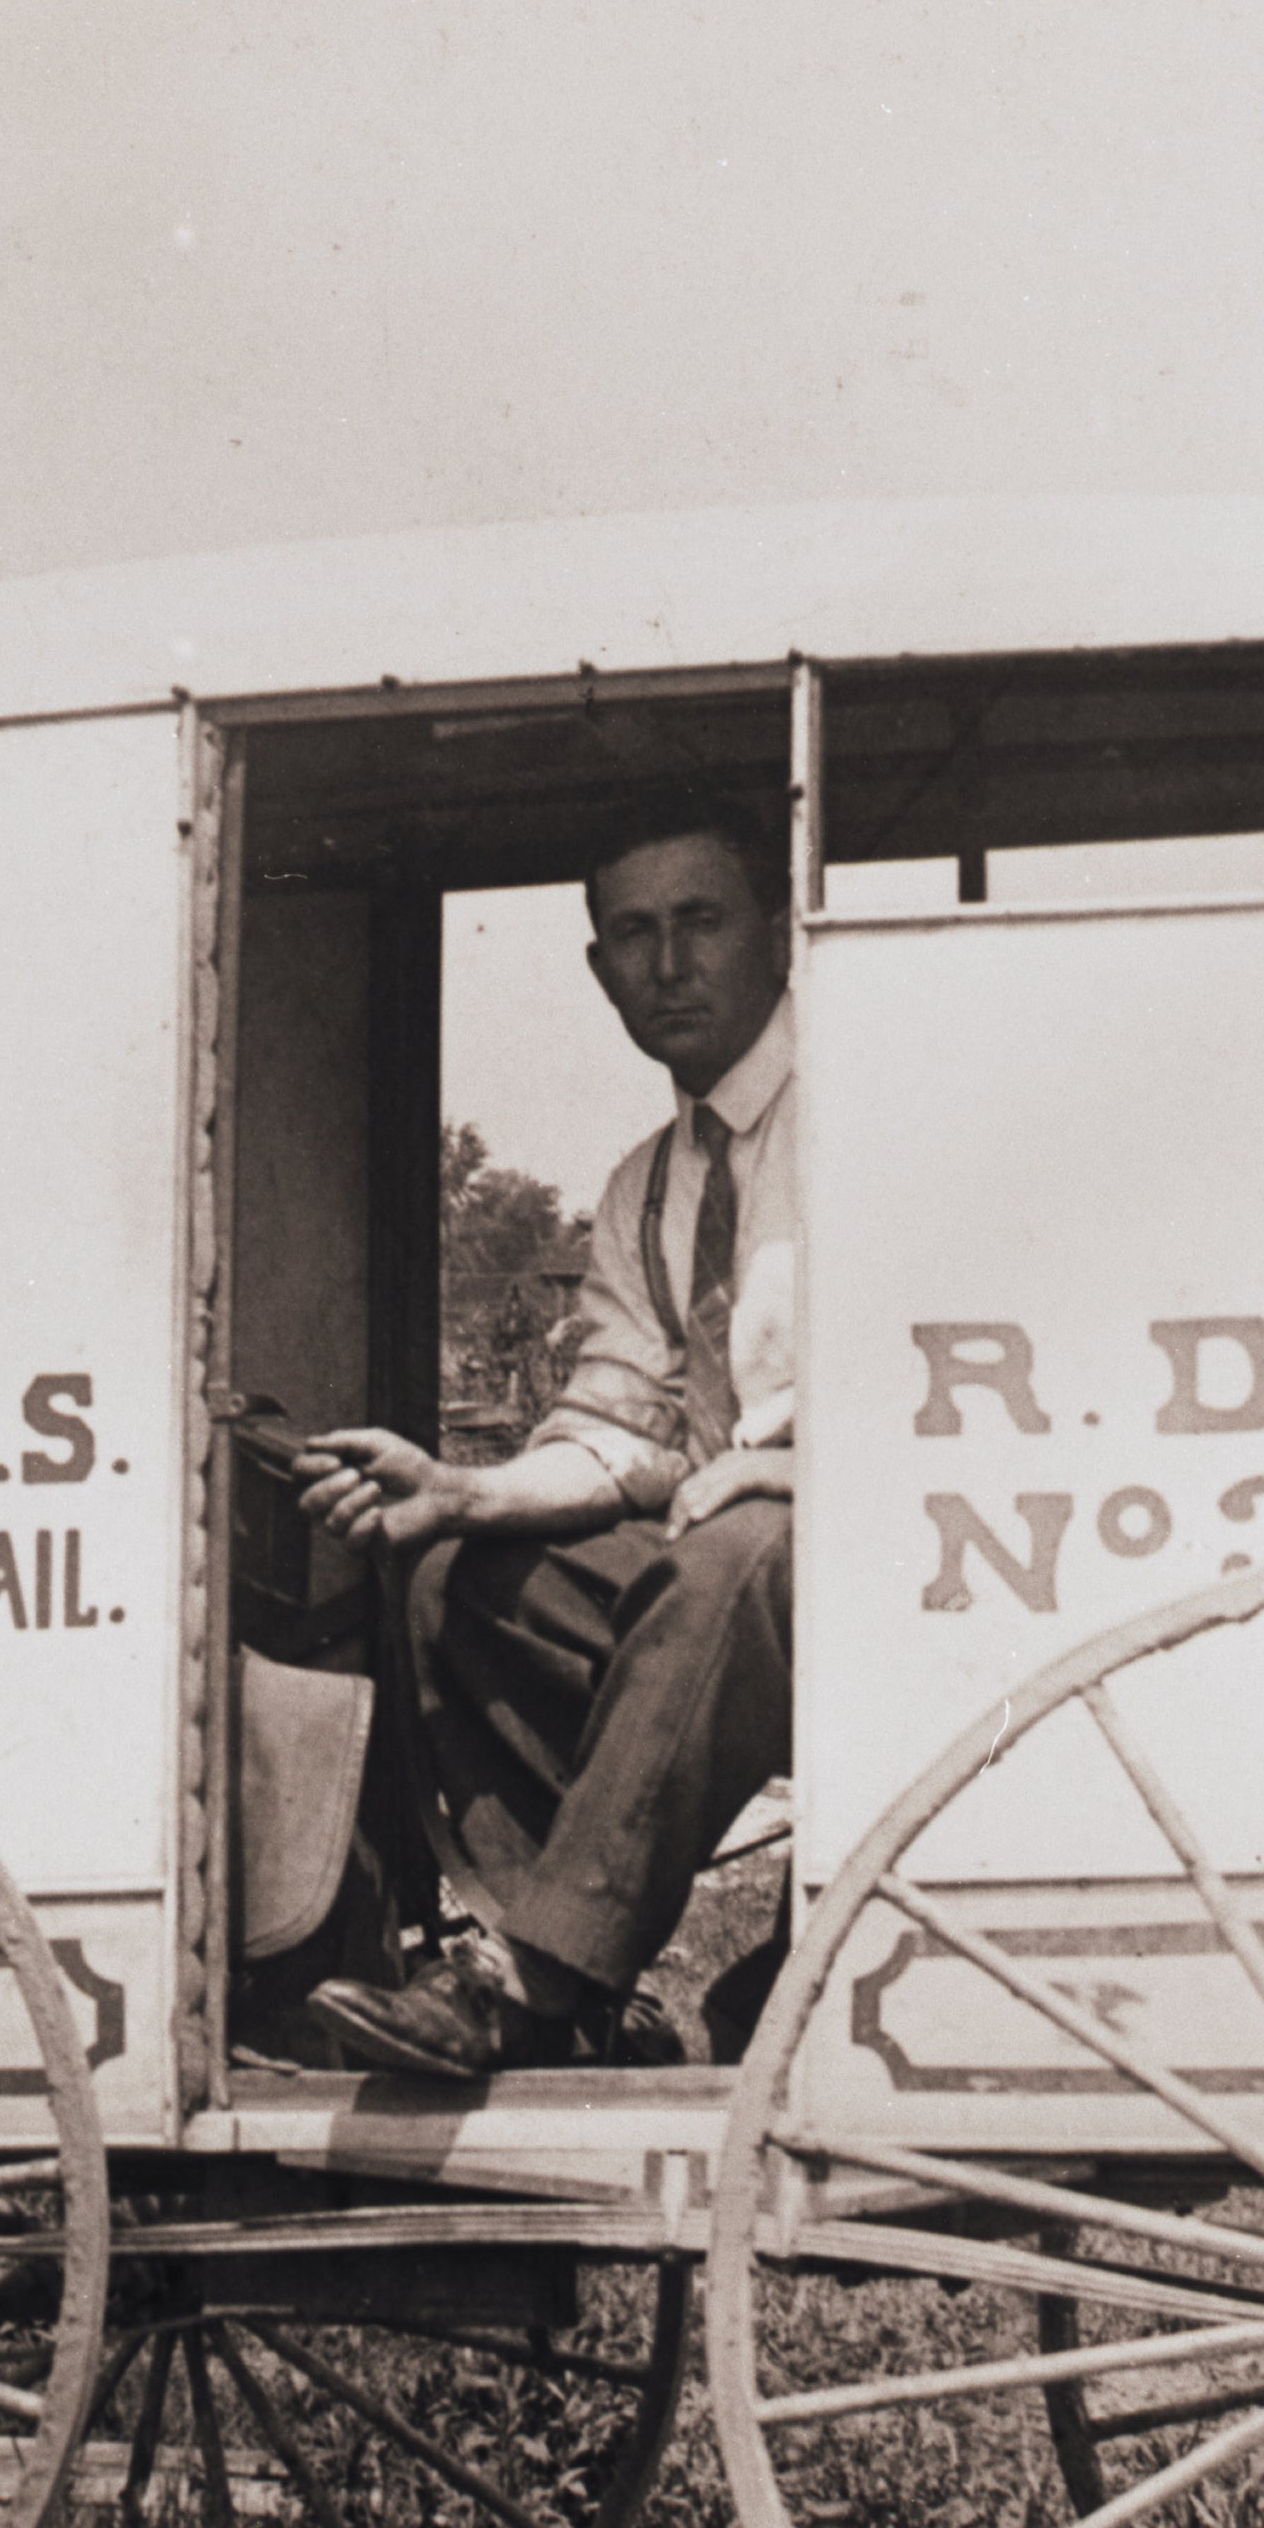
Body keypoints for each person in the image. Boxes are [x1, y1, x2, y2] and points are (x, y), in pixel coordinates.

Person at [287, 798, 797, 2078]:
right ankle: (555, 1986)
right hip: (743, 1564)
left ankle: (541, 1974)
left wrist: (801, 1461)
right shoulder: (647, 1187)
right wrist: (461, 1492)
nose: (669, 966)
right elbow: (621, 1419)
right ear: (598, 969)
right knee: (460, 1580)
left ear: (782, 929)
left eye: (701, 922)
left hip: (910, 1558)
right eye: (633, 935)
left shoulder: (887, 1118)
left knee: (729, 1555)